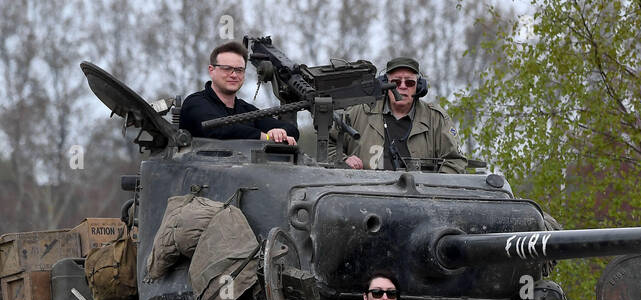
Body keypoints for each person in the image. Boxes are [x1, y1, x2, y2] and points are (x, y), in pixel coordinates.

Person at [332, 57, 467, 173]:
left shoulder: (436, 119)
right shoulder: (358, 112)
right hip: (363, 196)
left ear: (419, 86)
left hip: (418, 199)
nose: (402, 87)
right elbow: (327, 145)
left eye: (409, 82)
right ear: (384, 84)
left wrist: (431, 188)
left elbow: (455, 162)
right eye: (396, 82)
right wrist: (344, 160)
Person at [180, 42, 300, 144]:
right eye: (227, 68)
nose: (234, 75)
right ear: (211, 70)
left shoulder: (246, 110)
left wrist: (280, 133)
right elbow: (218, 129)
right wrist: (266, 137)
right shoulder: (195, 103)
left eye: (239, 70)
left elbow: (291, 131)